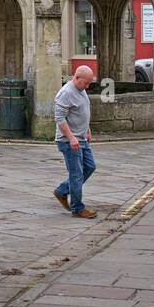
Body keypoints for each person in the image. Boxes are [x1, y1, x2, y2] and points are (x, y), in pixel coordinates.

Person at [53, 65, 97, 218]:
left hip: (81, 137)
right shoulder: (65, 93)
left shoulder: (81, 89)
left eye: (89, 83)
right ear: (77, 78)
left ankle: (62, 191)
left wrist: (88, 130)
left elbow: (83, 111)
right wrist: (71, 138)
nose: (88, 86)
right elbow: (59, 119)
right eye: (86, 82)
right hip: (69, 140)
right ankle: (77, 208)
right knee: (76, 174)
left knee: (90, 166)